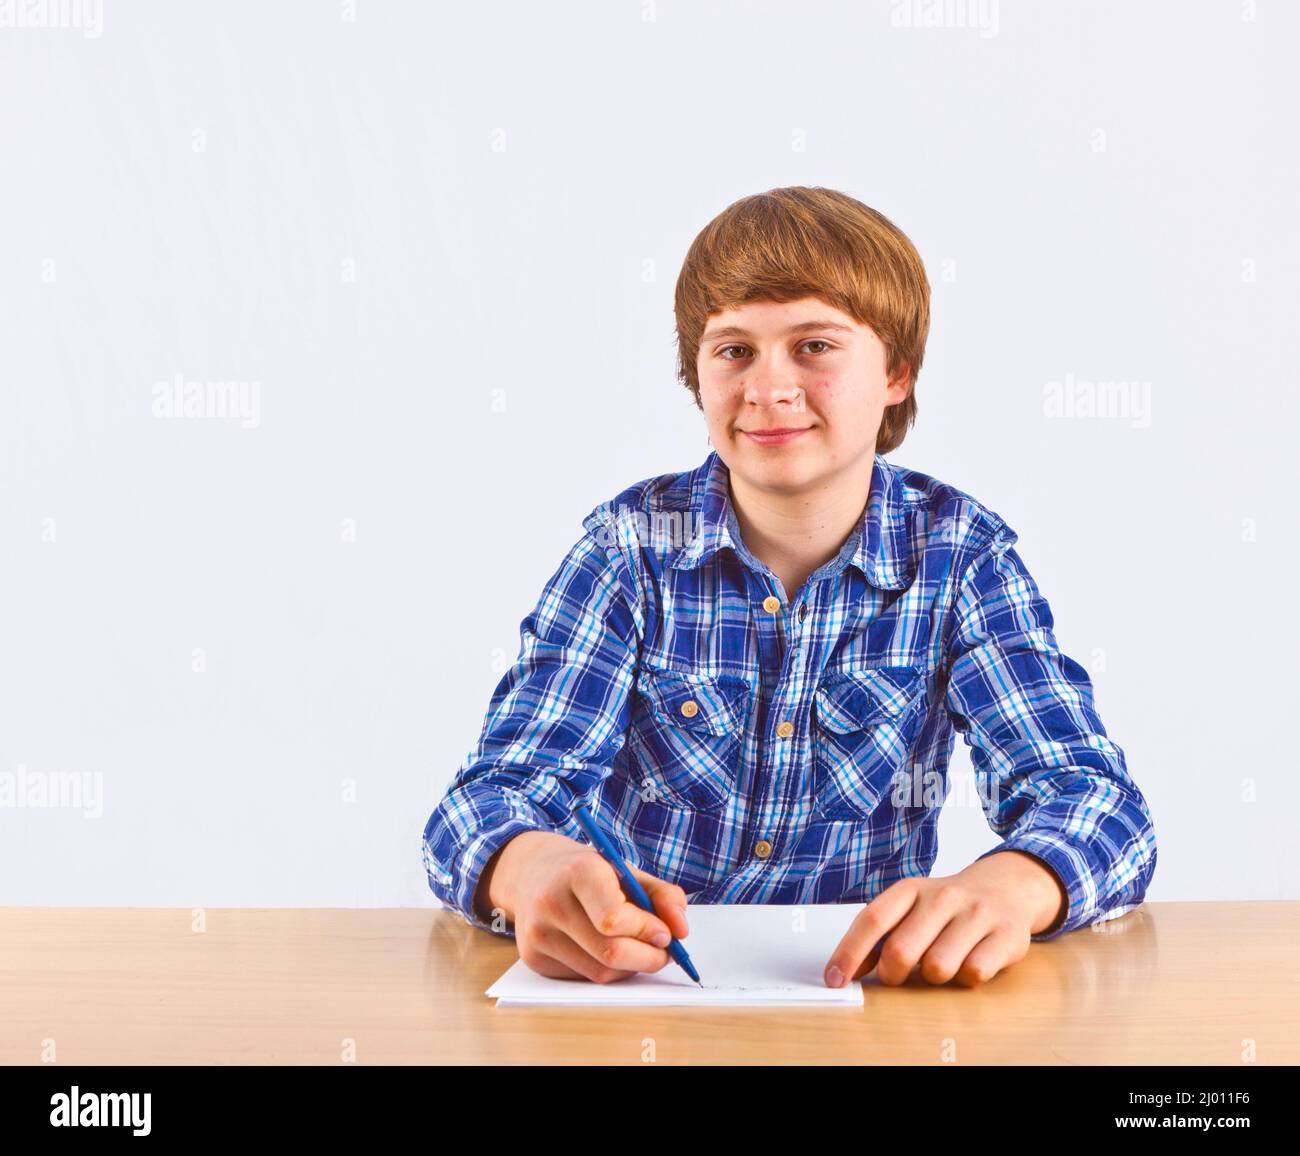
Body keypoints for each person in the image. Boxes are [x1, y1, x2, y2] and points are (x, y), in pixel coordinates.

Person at [422, 186, 1157, 989]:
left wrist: (1014, 885)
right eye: (734, 351)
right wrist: (529, 867)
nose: (768, 389)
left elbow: (1095, 801)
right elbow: (487, 801)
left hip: (862, 1001)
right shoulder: (629, 551)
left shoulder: (958, 558)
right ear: (697, 376)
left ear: (896, 373)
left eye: (814, 346)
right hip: (644, 995)